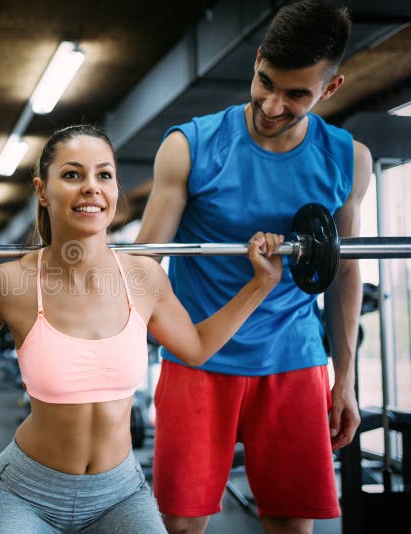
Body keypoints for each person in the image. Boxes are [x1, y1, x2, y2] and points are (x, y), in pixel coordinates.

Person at [0, 124, 284, 533]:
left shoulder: (143, 278)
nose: (91, 187)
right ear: (42, 190)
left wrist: (261, 284)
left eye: (104, 175)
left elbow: (196, 347)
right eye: (72, 174)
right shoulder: (10, 283)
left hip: (119, 493)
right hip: (26, 493)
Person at [136, 1, 372, 533]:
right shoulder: (191, 146)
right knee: (180, 523)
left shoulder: (347, 159)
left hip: (293, 356)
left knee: (291, 522)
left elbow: (344, 272)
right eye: (265, 82)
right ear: (258, 57)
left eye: (296, 95)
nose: (271, 105)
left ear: (330, 89)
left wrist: (345, 379)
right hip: (197, 355)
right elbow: (145, 265)